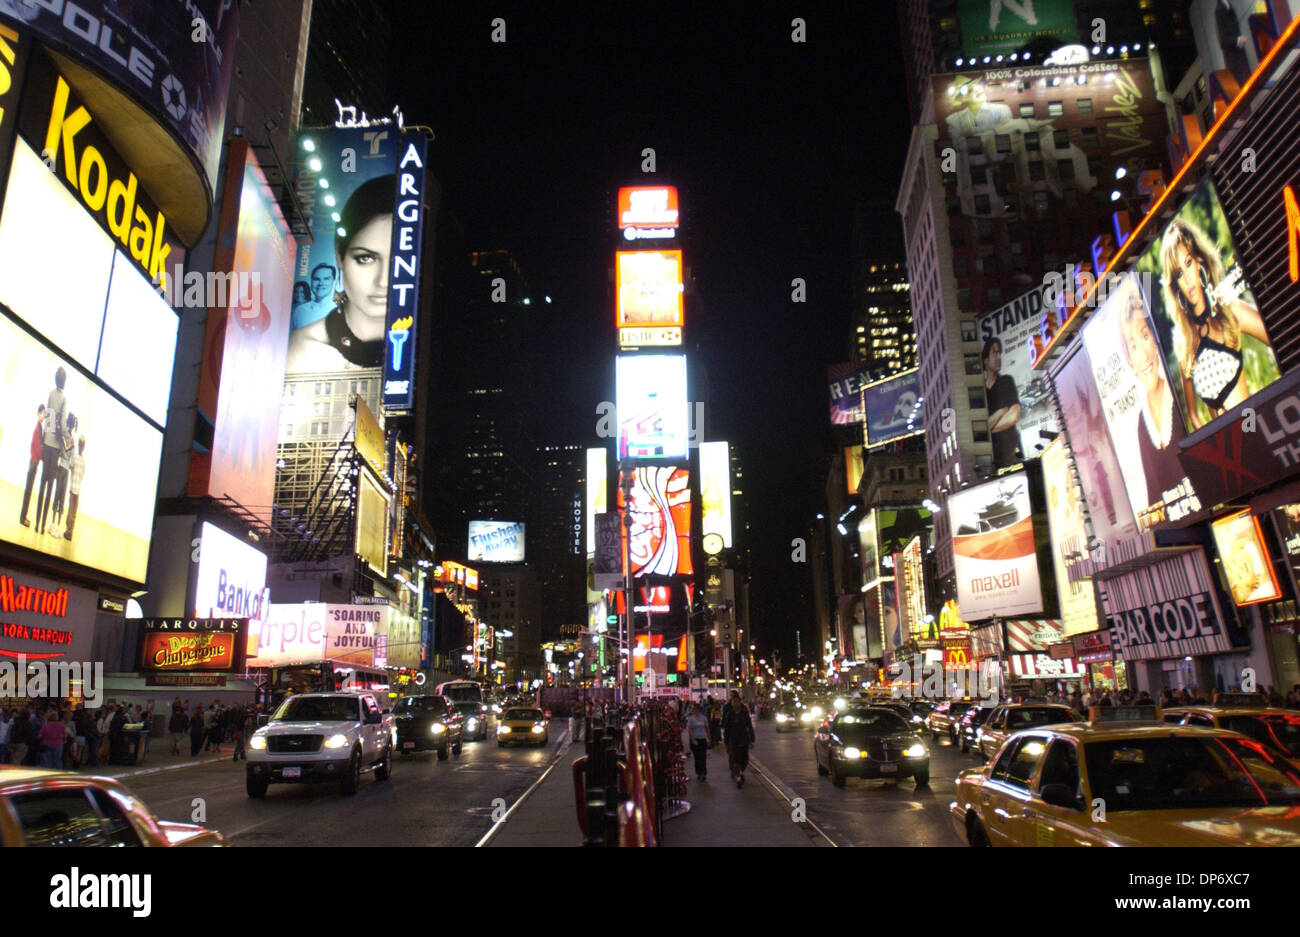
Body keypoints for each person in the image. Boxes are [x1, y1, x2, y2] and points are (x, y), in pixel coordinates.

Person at [1158, 215, 1278, 429]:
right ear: (1174, 283)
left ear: (1199, 262)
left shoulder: (1229, 311)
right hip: (1230, 451)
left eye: (1188, 263)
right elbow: (1193, 416)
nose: (1186, 278)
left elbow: (1278, 338)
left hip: (1257, 429)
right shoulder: (1185, 344)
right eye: (1178, 273)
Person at [286, 176, 395, 373]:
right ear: (339, 255)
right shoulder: (301, 352)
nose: (383, 281)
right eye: (366, 258)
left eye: (398, 263)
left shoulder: (415, 360)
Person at [1118, 286, 1187, 508]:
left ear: (1156, 341)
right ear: (1129, 360)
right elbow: (1155, 506)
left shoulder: (1182, 395)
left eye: (1145, 335)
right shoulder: (1141, 424)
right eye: (1133, 346)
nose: (1144, 354)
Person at [35, 366, 69, 535]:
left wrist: (44, 439)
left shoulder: (50, 394)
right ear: (64, 381)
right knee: (50, 487)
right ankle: (42, 526)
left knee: (42, 482)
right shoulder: (63, 399)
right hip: (55, 448)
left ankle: (36, 524)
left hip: (47, 442)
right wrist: (66, 438)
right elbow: (62, 425)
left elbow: (48, 419)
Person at [982, 337, 1022, 467]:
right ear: (986, 360)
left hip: (1012, 454)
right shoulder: (979, 393)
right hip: (992, 462)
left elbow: (1014, 415)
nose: (999, 356)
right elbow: (979, 429)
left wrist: (988, 429)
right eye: (994, 352)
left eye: (1000, 352)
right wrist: (1000, 412)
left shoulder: (1006, 381)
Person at [721, 692, 756, 788]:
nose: (736, 704)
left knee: (744, 760)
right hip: (734, 741)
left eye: (737, 702)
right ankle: (739, 776)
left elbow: (749, 727)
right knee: (735, 760)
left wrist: (752, 740)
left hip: (744, 740)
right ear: (732, 703)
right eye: (734, 702)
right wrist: (726, 742)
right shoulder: (730, 714)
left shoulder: (744, 713)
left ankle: (740, 772)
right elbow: (727, 729)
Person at [18, 403, 45, 527]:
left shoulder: (40, 427)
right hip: (33, 462)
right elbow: (35, 446)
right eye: (41, 413)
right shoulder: (37, 428)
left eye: (44, 414)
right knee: (28, 492)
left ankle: (24, 517)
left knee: (28, 492)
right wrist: (40, 456)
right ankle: (23, 518)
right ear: (38, 414)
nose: (43, 416)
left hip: (34, 462)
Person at [290, 263, 339, 329]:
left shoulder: (339, 309)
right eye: (316, 279)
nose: (321, 283)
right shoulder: (300, 310)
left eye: (326, 279)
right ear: (311, 281)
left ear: (334, 281)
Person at [64, 435, 86, 541]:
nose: (82, 446)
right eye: (81, 444)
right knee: (72, 512)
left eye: (83, 445)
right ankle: (69, 531)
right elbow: (73, 468)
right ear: (80, 445)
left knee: (73, 512)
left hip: (76, 489)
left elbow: (73, 468)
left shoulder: (80, 459)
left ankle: (69, 532)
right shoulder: (79, 459)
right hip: (74, 489)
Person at [686, 703, 710, 781]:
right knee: (697, 757)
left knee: (703, 756)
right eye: (693, 709)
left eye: (694, 709)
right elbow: (689, 730)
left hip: (702, 739)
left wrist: (708, 738)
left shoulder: (704, 718)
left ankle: (703, 773)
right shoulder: (691, 719)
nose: (693, 710)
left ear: (698, 709)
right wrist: (693, 739)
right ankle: (698, 772)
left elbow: (707, 728)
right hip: (695, 740)